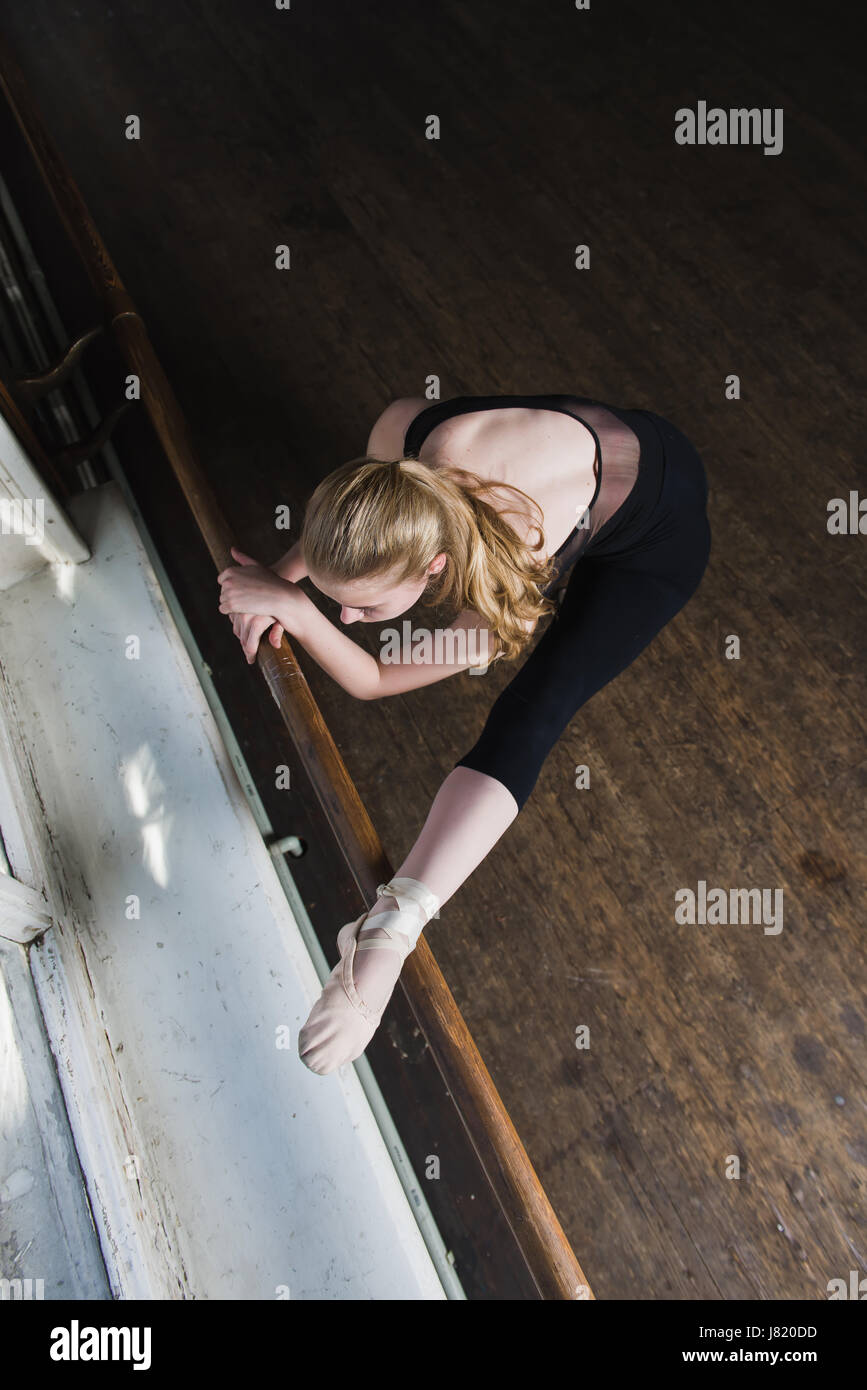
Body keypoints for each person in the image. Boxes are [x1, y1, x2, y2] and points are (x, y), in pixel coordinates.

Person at [217, 393, 711, 1074]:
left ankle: (396, 922)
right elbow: (348, 530)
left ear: (435, 567)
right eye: (340, 600)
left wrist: (297, 613)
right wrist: (278, 575)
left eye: (366, 603)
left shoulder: (515, 558)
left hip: (656, 532)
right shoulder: (401, 432)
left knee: (535, 710)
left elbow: (375, 678)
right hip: (590, 450)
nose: (349, 616)